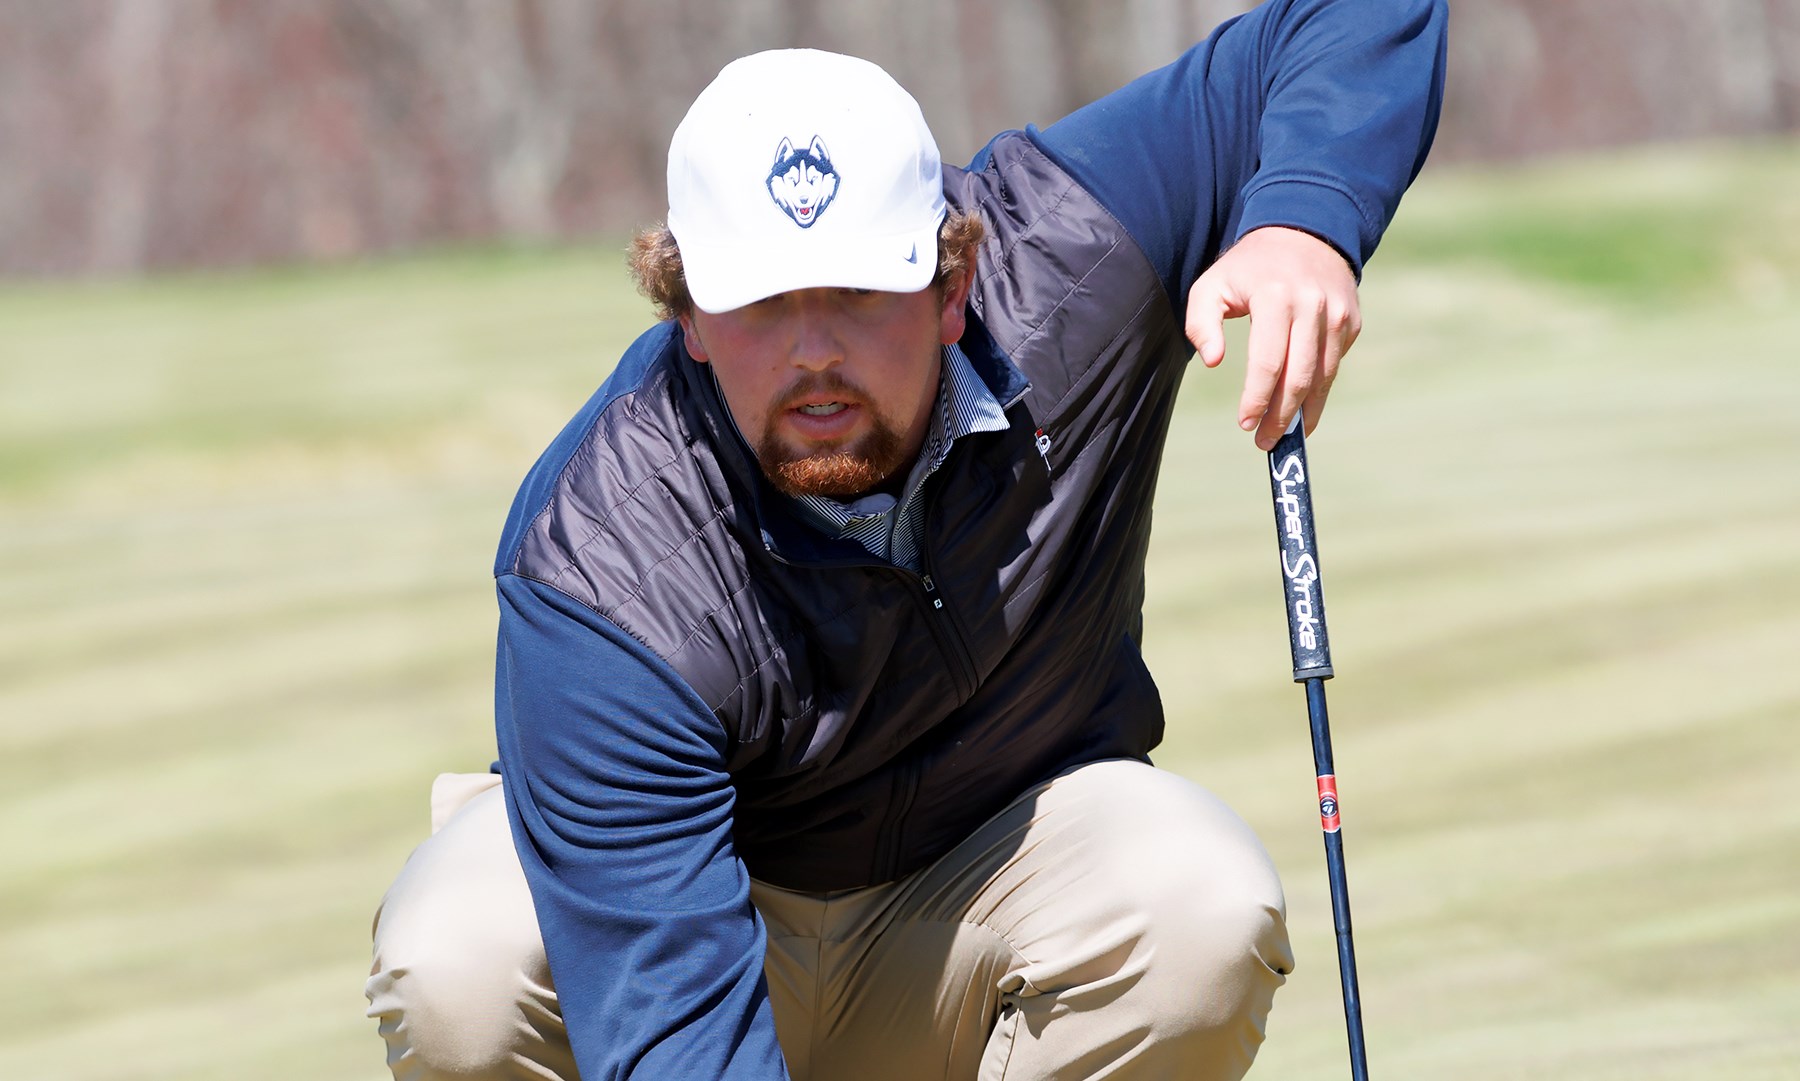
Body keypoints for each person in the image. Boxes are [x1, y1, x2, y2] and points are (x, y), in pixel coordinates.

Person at [365, 1, 1447, 1078]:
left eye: (857, 291)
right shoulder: (600, 564)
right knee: (462, 963)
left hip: (987, 902)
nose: (814, 352)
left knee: (1196, 907)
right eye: (762, 303)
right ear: (686, 312)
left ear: (950, 282)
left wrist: (1304, 218)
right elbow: (674, 1036)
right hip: (698, 920)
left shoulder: (1074, 247)